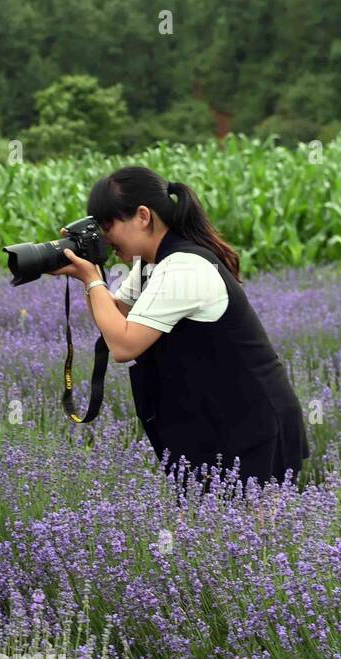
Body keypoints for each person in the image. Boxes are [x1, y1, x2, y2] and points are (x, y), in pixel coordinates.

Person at [47, 166, 310, 499]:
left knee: (251, 543)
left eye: (107, 225)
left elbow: (124, 344)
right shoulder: (151, 264)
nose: (104, 237)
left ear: (142, 216)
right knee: (211, 538)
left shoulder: (184, 267)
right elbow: (120, 315)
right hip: (214, 421)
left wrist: (91, 279)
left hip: (251, 427)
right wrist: (86, 272)